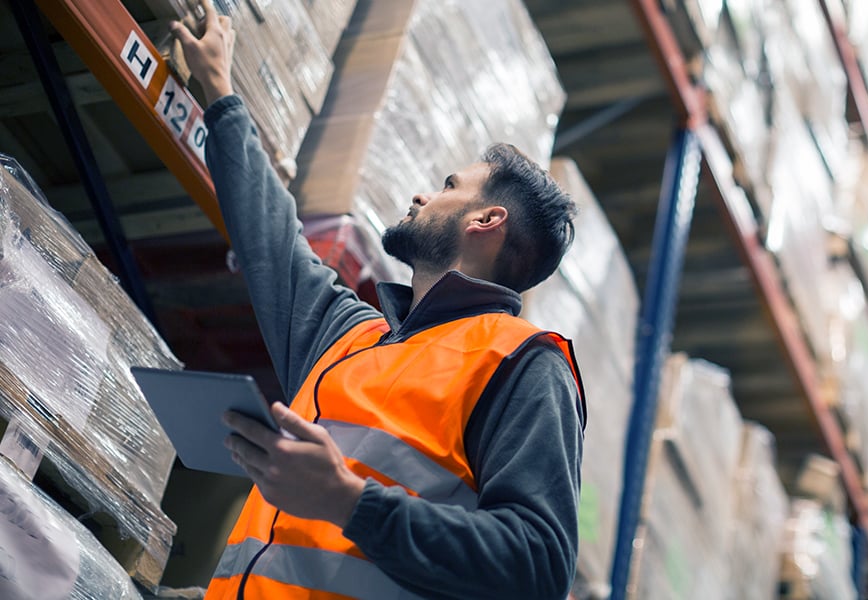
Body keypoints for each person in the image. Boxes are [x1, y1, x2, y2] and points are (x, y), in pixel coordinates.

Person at [170, 3, 586, 599]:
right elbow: (269, 238)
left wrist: (348, 501)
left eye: (448, 187)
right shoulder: (351, 337)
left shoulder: (523, 363)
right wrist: (220, 93)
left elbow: (536, 568)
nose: (422, 194)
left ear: (486, 220)